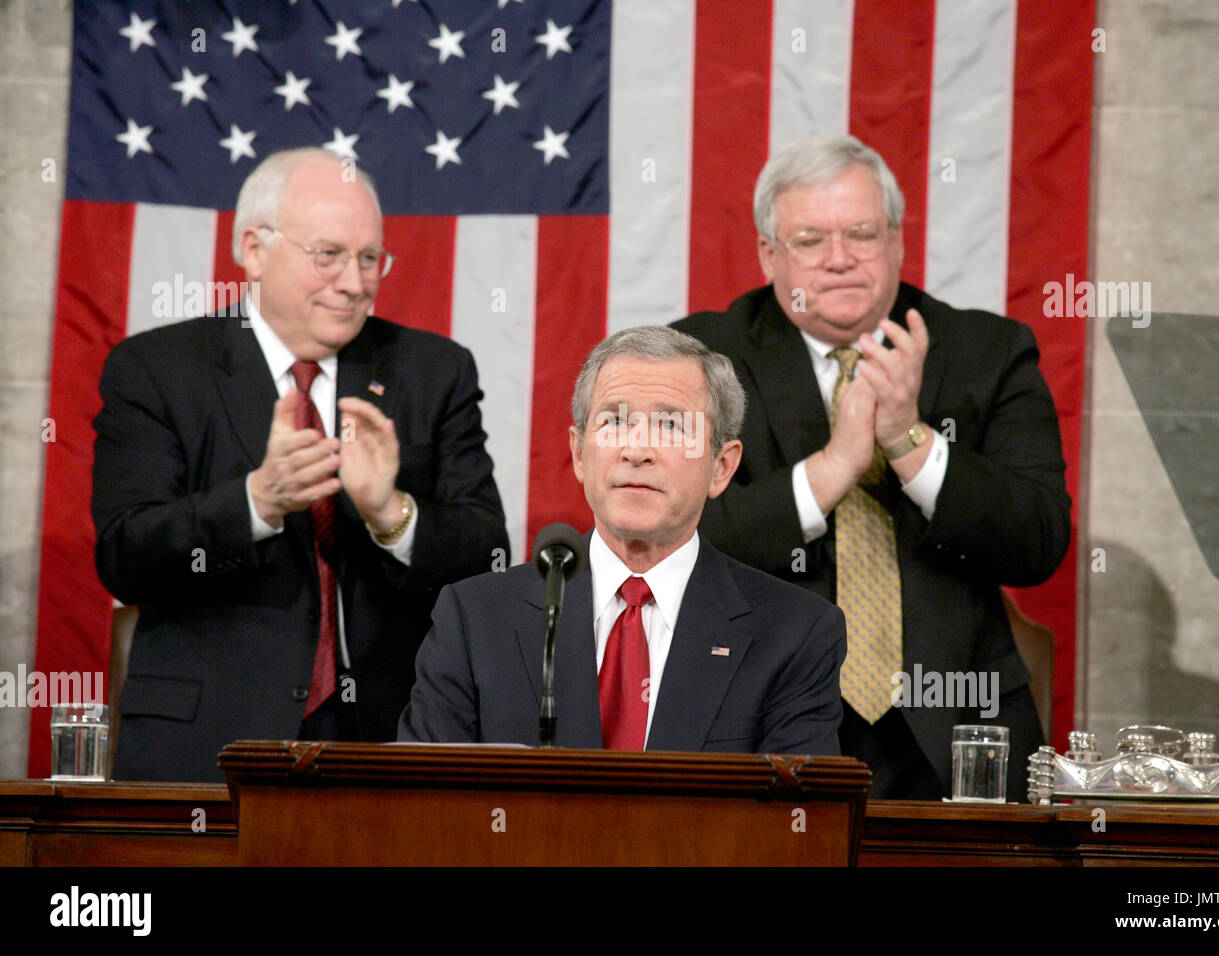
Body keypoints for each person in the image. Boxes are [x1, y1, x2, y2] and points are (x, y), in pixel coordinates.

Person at [673, 135, 1070, 800]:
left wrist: (909, 443)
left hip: (959, 727)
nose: (839, 260)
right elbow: (677, 538)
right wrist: (832, 469)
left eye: (861, 233)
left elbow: (1038, 543)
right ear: (769, 253)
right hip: (756, 722)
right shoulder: (703, 356)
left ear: (896, 242)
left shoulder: (986, 351)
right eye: (809, 240)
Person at [93, 148, 509, 782]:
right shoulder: (156, 370)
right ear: (255, 250)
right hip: (208, 745)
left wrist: (390, 515)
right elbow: (124, 554)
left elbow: (488, 556)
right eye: (329, 255)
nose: (354, 281)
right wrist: (256, 502)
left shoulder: (434, 371)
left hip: (390, 738)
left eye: (370, 258)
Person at [398, 326, 846, 754]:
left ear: (721, 467)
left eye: (670, 426)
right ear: (578, 452)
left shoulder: (794, 634)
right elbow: (427, 810)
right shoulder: (473, 619)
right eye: (614, 422)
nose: (636, 451)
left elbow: (796, 823)